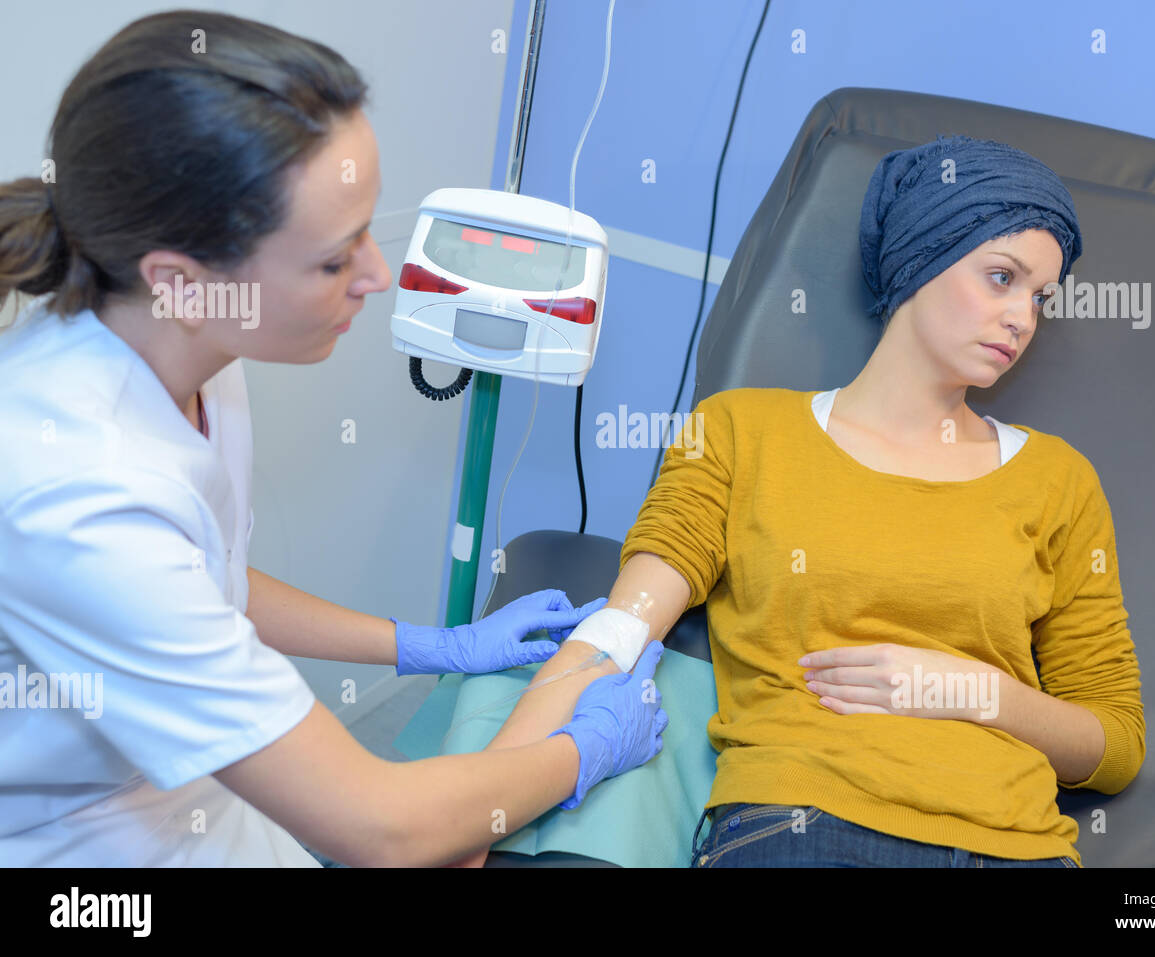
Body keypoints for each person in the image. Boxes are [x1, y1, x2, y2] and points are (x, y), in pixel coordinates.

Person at [0, 10, 668, 868]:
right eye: (332, 259)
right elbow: (382, 830)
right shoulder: (72, 491)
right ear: (185, 282)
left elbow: (207, 578)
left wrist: (428, 642)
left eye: (366, 230)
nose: (378, 275)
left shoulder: (197, 349)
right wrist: (582, 751)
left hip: (194, 806)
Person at [446, 134, 1145, 868]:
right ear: (920, 258)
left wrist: (973, 689)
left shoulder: (1059, 481)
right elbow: (617, 635)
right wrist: (467, 816)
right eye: (1000, 277)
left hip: (1017, 848)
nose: (1022, 319)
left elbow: (1116, 742)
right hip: (801, 823)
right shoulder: (740, 433)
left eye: (1039, 297)